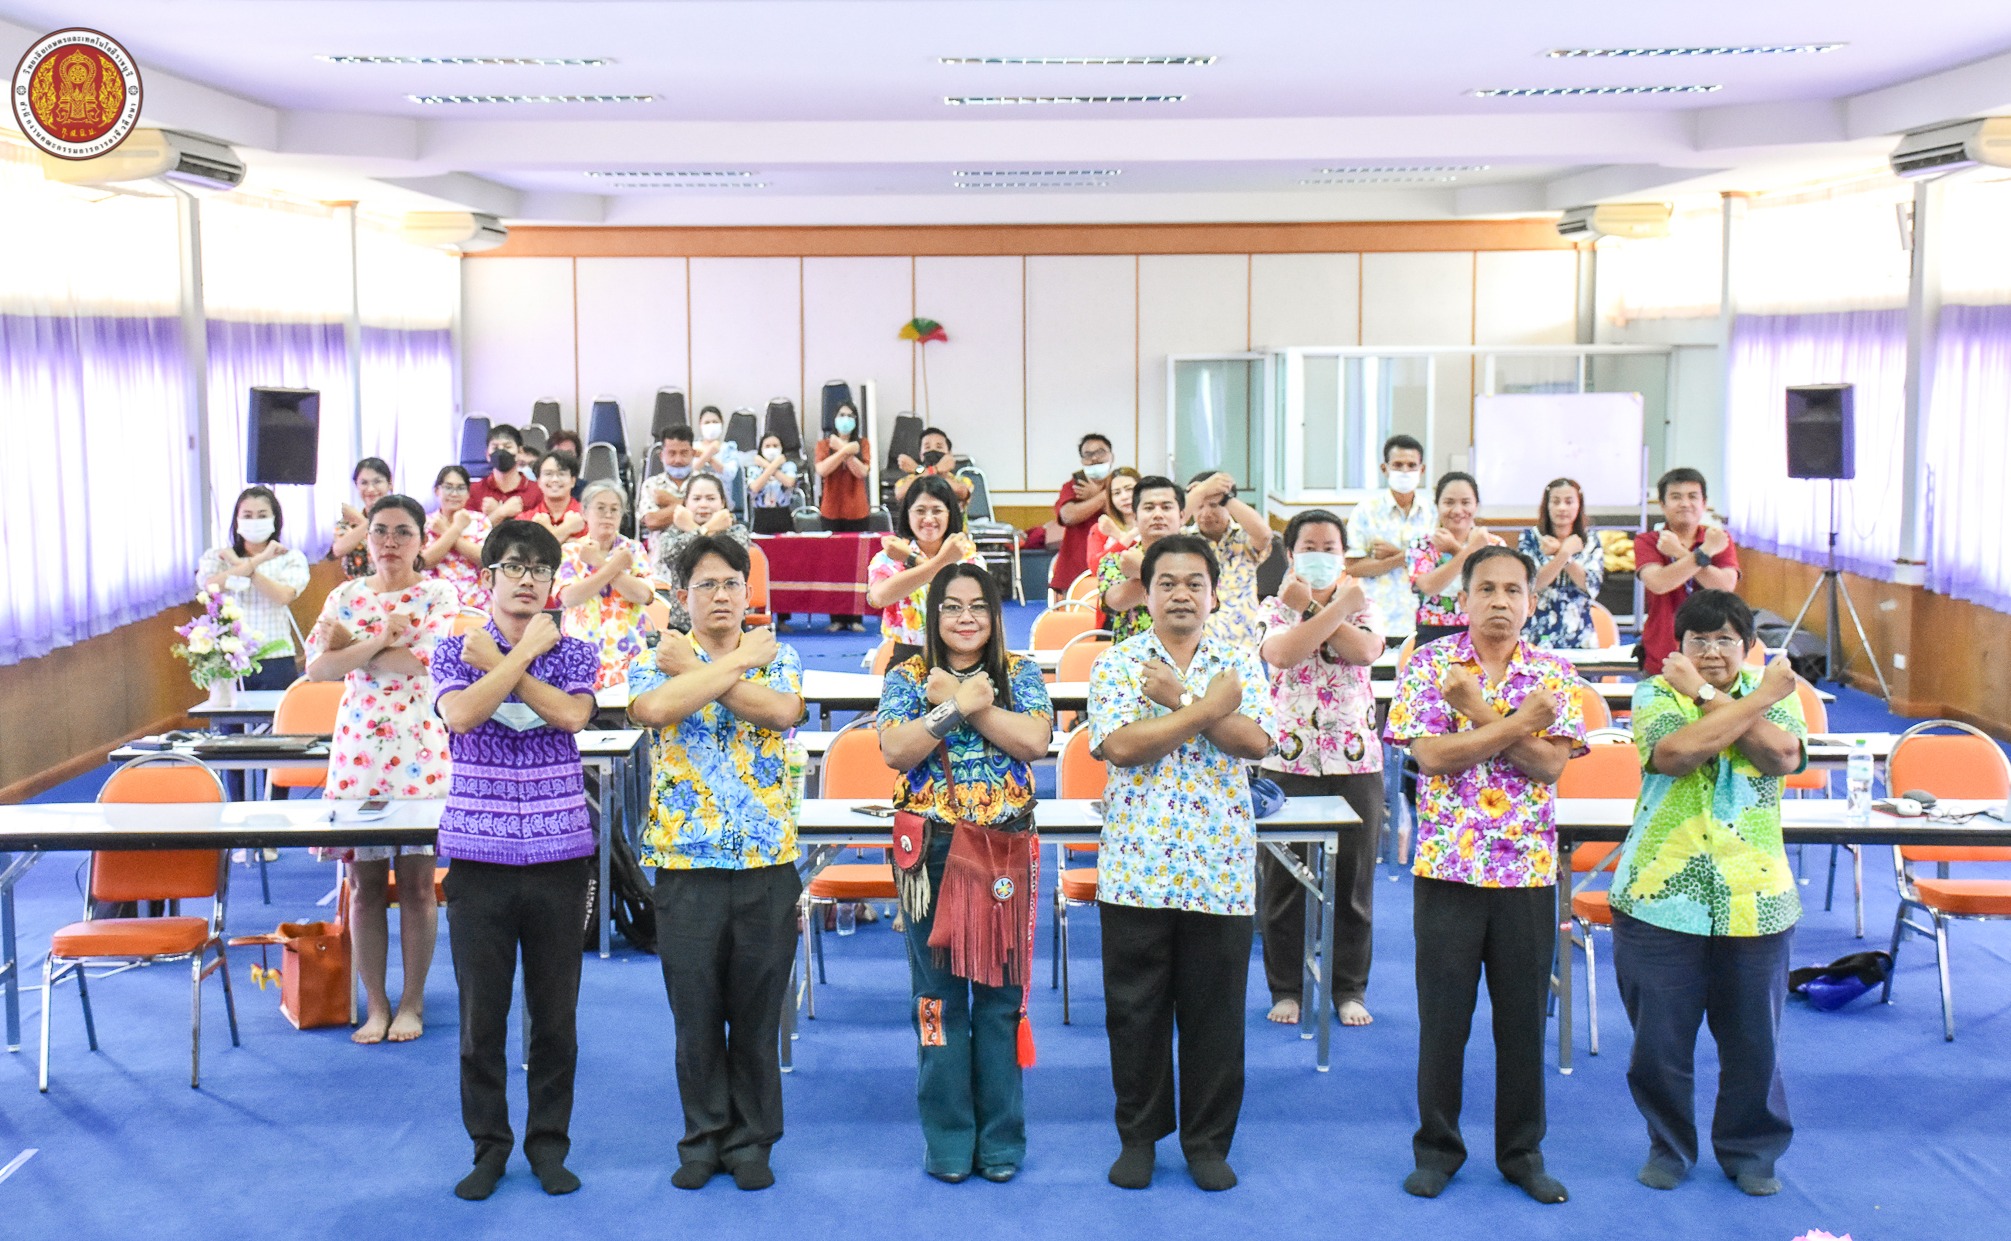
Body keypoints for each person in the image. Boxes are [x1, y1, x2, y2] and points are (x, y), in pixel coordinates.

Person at [1384, 545, 1586, 1205]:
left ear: (1531, 601)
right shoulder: (1429, 665)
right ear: (1463, 599)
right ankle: (1437, 1149)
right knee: (1443, 1019)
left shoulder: (1554, 673)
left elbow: (1548, 767)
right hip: (1448, 867)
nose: (1500, 600)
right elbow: (1432, 757)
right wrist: (1517, 723)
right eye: (1487, 589)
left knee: (1522, 1022)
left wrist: (1481, 713)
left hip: (1527, 871)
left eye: (1512, 590)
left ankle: (1522, 1153)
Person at [1089, 533, 1277, 1193]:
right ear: (1145, 593)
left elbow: (1254, 741)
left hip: (1218, 870)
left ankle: (1205, 1143)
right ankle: (1138, 1139)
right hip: (1136, 868)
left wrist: (1180, 702)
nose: (1180, 594)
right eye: (1166, 582)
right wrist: (1202, 709)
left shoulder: (1238, 662)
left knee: (1215, 1017)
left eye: (1194, 583)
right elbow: (1121, 745)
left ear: (1213, 594)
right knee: (1134, 1013)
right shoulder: (1117, 663)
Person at [1610, 590, 1806, 1197]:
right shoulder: (1655, 694)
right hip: (1660, 894)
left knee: (1754, 1041)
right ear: (1679, 647)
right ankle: (1668, 1147)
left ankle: (1752, 1152)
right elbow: (1675, 755)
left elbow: (1780, 755)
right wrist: (1738, 699)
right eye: (1699, 640)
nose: (1712, 651)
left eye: (1725, 639)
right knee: (1659, 1043)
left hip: (1756, 896)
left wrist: (1724, 697)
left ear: (1748, 646)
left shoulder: (1781, 694)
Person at [628, 534, 807, 1193]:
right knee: (696, 1016)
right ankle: (703, 1140)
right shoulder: (656, 657)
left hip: (766, 861)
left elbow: (780, 711)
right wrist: (730, 664)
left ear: (747, 590)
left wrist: (701, 669)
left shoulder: (779, 656)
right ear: (683, 596)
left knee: (757, 1017)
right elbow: (655, 708)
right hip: (685, 864)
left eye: (733, 582)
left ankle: (751, 1142)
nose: (723, 595)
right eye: (707, 584)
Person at [431, 521, 600, 1201]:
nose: (528, 579)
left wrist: (516, 659)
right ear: (488, 577)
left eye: (540, 568)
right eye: (513, 566)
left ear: (553, 580)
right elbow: (462, 714)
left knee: (555, 1017)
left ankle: (548, 1145)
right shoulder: (453, 649)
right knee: (482, 1019)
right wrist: (522, 654)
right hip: (479, 854)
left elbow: (570, 716)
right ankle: (489, 1147)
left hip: (561, 854)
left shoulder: (576, 651)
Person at [878, 563, 1054, 1183]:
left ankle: (1001, 1139)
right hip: (930, 852)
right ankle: (949, 1138)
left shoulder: (1020, 672)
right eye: (951, 606)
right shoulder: (907, 675)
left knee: (1001, 1001)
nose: (965, 618)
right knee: (937, 1000)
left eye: (978, 606)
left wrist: (965, 705)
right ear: (934, 616)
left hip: (1004, 850)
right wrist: (953, 704)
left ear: (995, 615)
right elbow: (896, 750)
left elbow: (1034, 741)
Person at [303, 494, 459, 1044]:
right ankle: (375, 1004)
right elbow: (318, 668)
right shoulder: (344, 595)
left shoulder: (439, 593)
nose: (390, 542)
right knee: (364, 886)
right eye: (380, 531)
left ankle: (412, 1002)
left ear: (421, 540)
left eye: (403, 531)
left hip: (420, 745)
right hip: (359, 752)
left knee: (417, 885)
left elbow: (424, 662)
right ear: (365, 539)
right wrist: (377, 640)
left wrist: (354, 649)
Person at [1256, 510, 1385, 1028]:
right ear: (1291, 555)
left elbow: (1364, 650)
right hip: (1287, 758)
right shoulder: (1275, 605)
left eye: (1329, 547)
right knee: (1283, 883)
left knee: (1353, 882)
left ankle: (1348, 988)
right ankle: (1286, 988)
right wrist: (1319, 607)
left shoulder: (1363, 602)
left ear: (1343, 554)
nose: (1319, 554)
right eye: (1308, 546)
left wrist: (1318, 607)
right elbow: (1284, 654)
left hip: (1356, 759)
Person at [198, 485, 311, 691]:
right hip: (229, 656)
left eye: (262, 515)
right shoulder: (219, 557)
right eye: (247, 516)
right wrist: (253, 561)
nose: (254, 521)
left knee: (276, 712)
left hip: (276, 656)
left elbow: (283, 596)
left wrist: (245, 565)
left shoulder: (290, 557)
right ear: (237, 520)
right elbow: (211, 586)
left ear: (275, 519)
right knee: (231, 712)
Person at [867, 475, 984, 668]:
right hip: (906, 660)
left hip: (961, 659)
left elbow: (967, 597)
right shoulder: (892, 554)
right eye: (920, 511)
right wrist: (936, 561)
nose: (928, 519)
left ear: (950, 513)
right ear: (907, 514)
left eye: (937, 510)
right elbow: (879, 597)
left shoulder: (966, 554)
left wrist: (912, 560)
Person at [1635, 468, 1741, 675]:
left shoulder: (1718, 539)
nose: (1685, 503)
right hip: (1662, 655)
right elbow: (1659, 583)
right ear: (1663, 504)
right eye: (1676, 497)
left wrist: (1680, 552)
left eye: (1692, 496)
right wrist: (1705, 553)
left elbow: (1725, 586)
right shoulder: (1648, 541)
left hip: (1713, 657)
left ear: (1704, 503)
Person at [554, 481, 654, 691]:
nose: (608, 515)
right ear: (584, 512)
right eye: (600, 508)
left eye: (614, 509)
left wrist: (599, 562)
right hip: (579, 656)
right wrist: (614, 567)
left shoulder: (633, 550)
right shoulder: (571, 551)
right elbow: (569, 597)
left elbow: (644, 595)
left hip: (626, 657)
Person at [1345, 435, 1436, 641]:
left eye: (1411, 465)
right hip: (1376, 618)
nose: (1405, 471)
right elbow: (1353, 567)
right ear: (1384, 469)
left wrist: (1396, 554)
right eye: (1398, 465)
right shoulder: (1366, 511)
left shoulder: (1432, 512)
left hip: (1423, 618)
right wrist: (1411, 556)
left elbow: (1436, 564)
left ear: (1422, 470)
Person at [1406, 472, 1505, 647]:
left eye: (1465, 502)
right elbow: (1428, 586)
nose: (1458, 510)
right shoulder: (1422, 544)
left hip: (1485, 630)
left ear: (1476, 505)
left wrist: (1457, 550)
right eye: (1449, 502)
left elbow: (1495, 585)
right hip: (1433, 633)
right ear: (1437, 505)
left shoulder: (1494, 544)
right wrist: (1471, 550)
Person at [1184, 470, 1272, 650]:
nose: (1206, 513)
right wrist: (1199, 492)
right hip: (1196, 645)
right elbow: (1164, 531)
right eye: (1199, 506)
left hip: (1243, 644)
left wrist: (1225, 497)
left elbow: (1264, 536)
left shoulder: (1244, 536)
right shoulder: (1182, 540)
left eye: (1214, 504)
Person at [653, 473, 751, 632]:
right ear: (686, 503)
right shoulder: (672, 534)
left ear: (722, 503)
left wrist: (694, 529)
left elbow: (730, 557)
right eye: (697, 499)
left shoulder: (737, 531)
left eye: (711, 499)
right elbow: (671, 556)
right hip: (683, 625)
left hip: (730, 625)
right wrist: (705, 530)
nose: (703, 505)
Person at [1096, 475, 1187, 643]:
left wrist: (1142, 569)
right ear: (1135, 517)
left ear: (1182, 516)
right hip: (1132, 656)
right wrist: (1176, 580)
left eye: (1166, 507)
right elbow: (1117, 601)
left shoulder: (1199, 558)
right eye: (1149, 508)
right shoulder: (1116, 560)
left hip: (1188, 655)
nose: (1158, 515)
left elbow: (1198, 599)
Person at [1519, 477, 1607, 649]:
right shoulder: (1530, 538)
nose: (1562, 508)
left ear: (1579, 505)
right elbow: (1532, 584)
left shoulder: (1590, 540)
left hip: (1579, 633)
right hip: (1537, 631)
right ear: (1547, 505)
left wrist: (1564, 556)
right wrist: (1564, 553)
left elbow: (1590, 586)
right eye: (1555, 501)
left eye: (1569, 502)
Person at [814, 402, 872, 631]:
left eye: (850, 415)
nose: (845, 419)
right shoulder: (823, 444)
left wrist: (844, 449)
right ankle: (836, 618)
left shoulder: (863, 444)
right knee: (834, 566)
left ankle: (856, 618)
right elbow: (822, 469)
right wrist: (846, 450)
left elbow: (862, 471)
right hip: (831, 510)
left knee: (857, 566)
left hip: (857, 511)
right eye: (841, 414)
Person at [1049, 433, 1115, 596]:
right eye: (1088, 454)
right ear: (1082, 461)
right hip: (1076, 567)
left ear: (1111, 456)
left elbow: (1128, 515)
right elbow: (1068, 516)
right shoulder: (1073, 486)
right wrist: (1102, 497)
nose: (1095, 458)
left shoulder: (1121, 484)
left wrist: (1096, 495)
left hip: (1115, 563)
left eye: (1100, 452)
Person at [422, 465, 492, 611]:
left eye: (461, 488)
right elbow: (426, 562)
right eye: (448, 487)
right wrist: (456, 529)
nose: (454, 494)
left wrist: (446, 531)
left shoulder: (480, 520)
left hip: (476, 603)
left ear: (468, 493)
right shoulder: (426, 523)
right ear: (437, 491)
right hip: (435, 603)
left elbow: (485, 558)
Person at [637, 426, 699, 566]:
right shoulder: (652, 485)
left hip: (699, 560)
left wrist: (670, 502)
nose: (678, 460)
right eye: (672, 453)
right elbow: (652, 521)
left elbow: (714, 519)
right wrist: (692, 506)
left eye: (684, 453)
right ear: (661, 456)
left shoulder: (705, 482)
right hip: (661, 564)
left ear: (693, 453)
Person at [330, 457, 392, 580]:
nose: (370, 489)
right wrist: (366, 523)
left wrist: (363, 521)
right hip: (358, 588)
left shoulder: (402, 518)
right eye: (364, 483)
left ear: (389, 484)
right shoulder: (348, 522)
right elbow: (338, 550)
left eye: (377, 482)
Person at [468, 424, 540, 518]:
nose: (501, 452)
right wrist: (502, 512)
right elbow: (470, 526)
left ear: (520, 452)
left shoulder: (537, 491)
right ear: (487, 455)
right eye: (495, 448)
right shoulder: (474, 491)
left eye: (507, 447)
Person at [894, 426, 974, 504]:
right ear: (921, 455)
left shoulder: (962, 480)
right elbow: (900, 494)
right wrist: (935, 469)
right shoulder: (906, 481)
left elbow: (962, 492)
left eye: (939, 447)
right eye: (927, 447)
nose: (933, 450)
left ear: (949, 453)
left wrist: (918, 469)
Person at [747, 432, 804, 536]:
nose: (771, 449)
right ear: (761, 449)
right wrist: (771, 466)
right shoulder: (754, 469)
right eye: (767, 446)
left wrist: (768, 465)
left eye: (775, 446)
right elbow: (755, 487)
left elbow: (789, 482)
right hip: (761, 516)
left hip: (783, 515)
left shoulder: (788, 466)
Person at [1085, 466, 1141, 570]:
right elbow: (1095, 567)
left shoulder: (1154, 524)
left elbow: (1151, 563)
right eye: (1117, 493)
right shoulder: (1102, 528)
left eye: (1129, 489)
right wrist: (1126, 537)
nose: (1124, 497)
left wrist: (1118, 535)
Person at [525, 451, 586, 542]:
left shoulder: (587, 516)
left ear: (573, 481)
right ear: (538, 481)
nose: (555, 479)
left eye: (561, 474)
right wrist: (567, 528)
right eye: (548, 474)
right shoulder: (525, 520)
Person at [691, 405, 743, 510]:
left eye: (715, 422)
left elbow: (729, 475)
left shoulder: (729, 448)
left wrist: (708, 457)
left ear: (722, 423)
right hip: (695, 499)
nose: (711, 425)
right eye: (707, 422)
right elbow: (690, 473)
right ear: (700, 425)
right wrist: (709, 453)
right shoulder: (692, 447)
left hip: (722, 501)